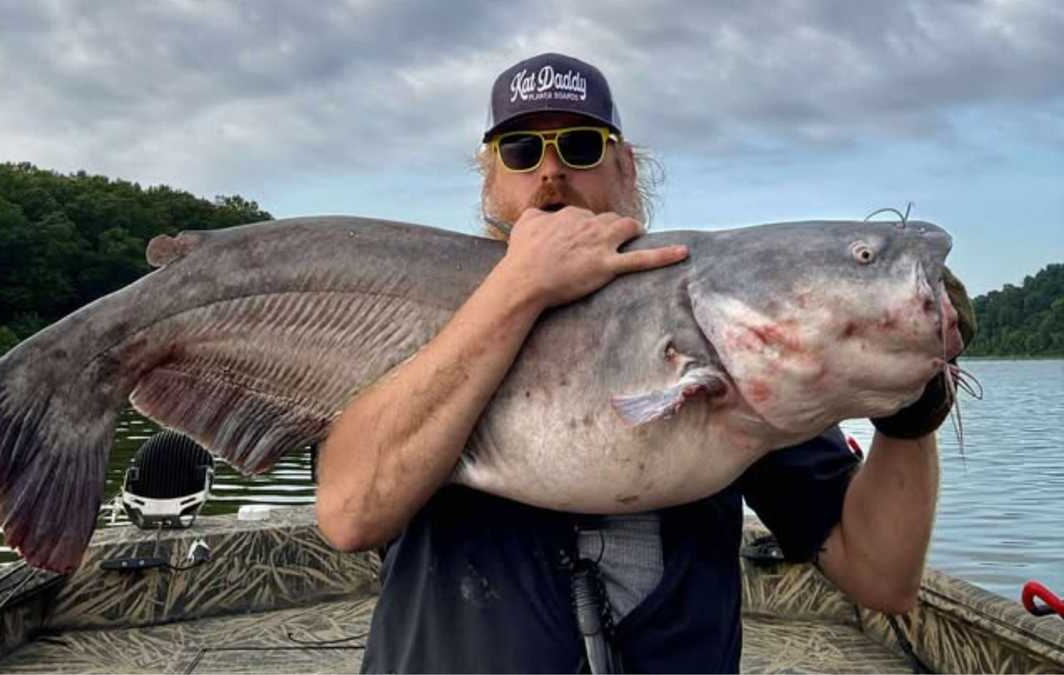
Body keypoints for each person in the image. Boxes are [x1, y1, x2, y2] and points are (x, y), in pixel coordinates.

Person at [316, 52, 969, 673]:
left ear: (626, 167)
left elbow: (881, 576)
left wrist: (915, 409)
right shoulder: (409, 322)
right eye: (520, 151)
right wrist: (518, 289)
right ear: (490, 179)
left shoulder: (736, 345)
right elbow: (349, 513)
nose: (551, 172)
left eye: (581, 146)